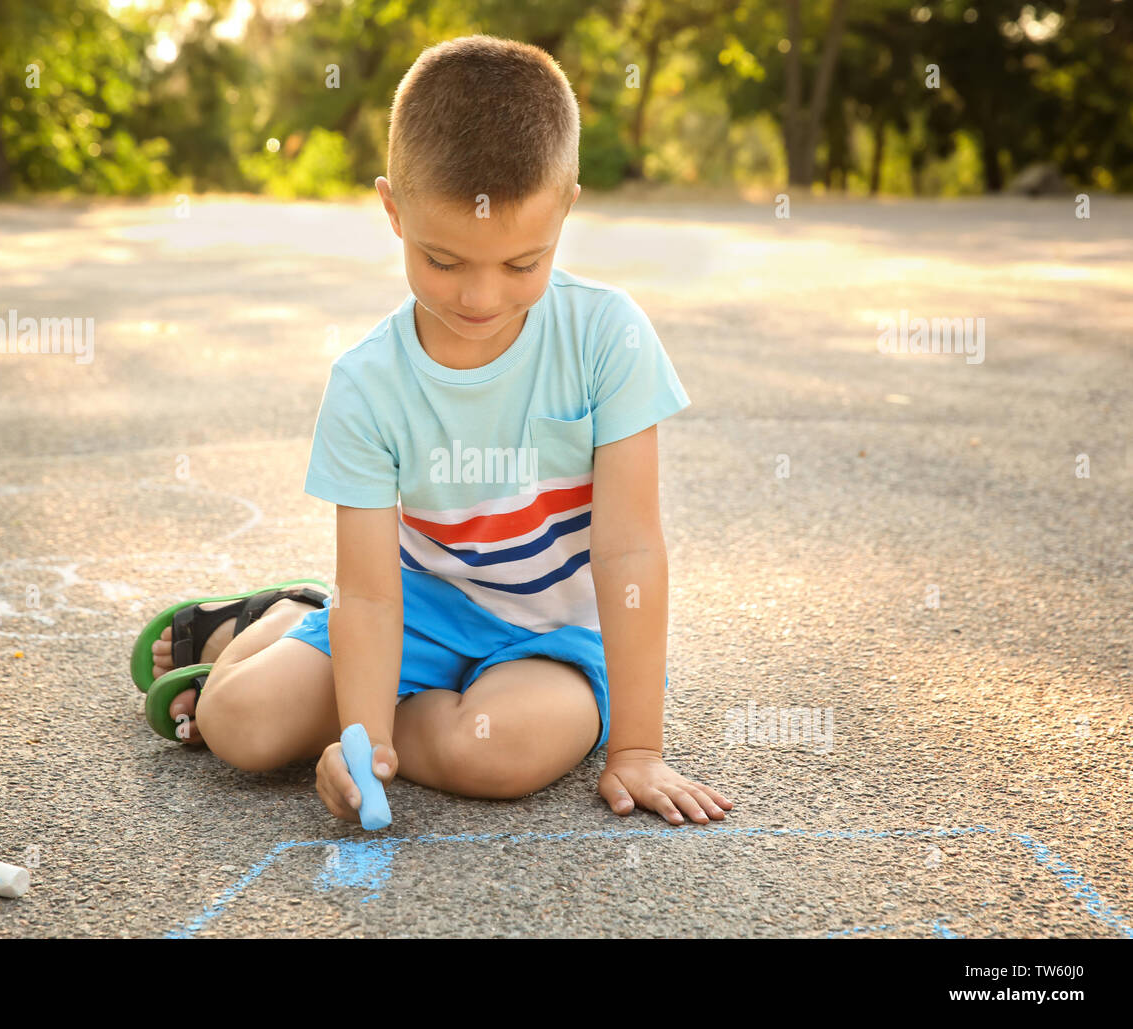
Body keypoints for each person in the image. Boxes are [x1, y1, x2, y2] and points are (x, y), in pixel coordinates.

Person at [148, 34, 734, 828]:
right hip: (413, 604)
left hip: (550, 635)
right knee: (239, 727)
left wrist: (636, 748)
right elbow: (369, 590)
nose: (481, 297)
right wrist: (363, 738)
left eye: (521, 264)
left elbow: (629, 549)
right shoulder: (368, 382)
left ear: (565, 207)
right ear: (393, 210)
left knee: (495, 753)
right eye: (444, 260)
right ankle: (278, 619)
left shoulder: (609, 337)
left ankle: (381, 699)